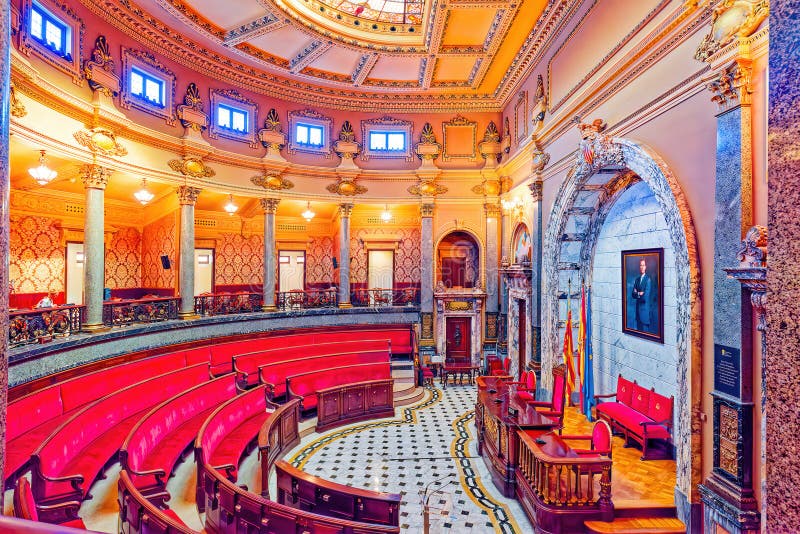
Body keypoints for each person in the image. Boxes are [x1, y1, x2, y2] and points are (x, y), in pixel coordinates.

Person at [631, 259, 654, 333]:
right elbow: (633, 294)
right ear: (639, 267)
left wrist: (637, 293)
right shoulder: (637, 280)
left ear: (645, 267)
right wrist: (639, 293)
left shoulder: (648, 280)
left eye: (643, 265)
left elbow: (644, 298)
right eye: (640, 265)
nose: (642, 267)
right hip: (638, 314)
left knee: (645, 336)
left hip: (644, 314)